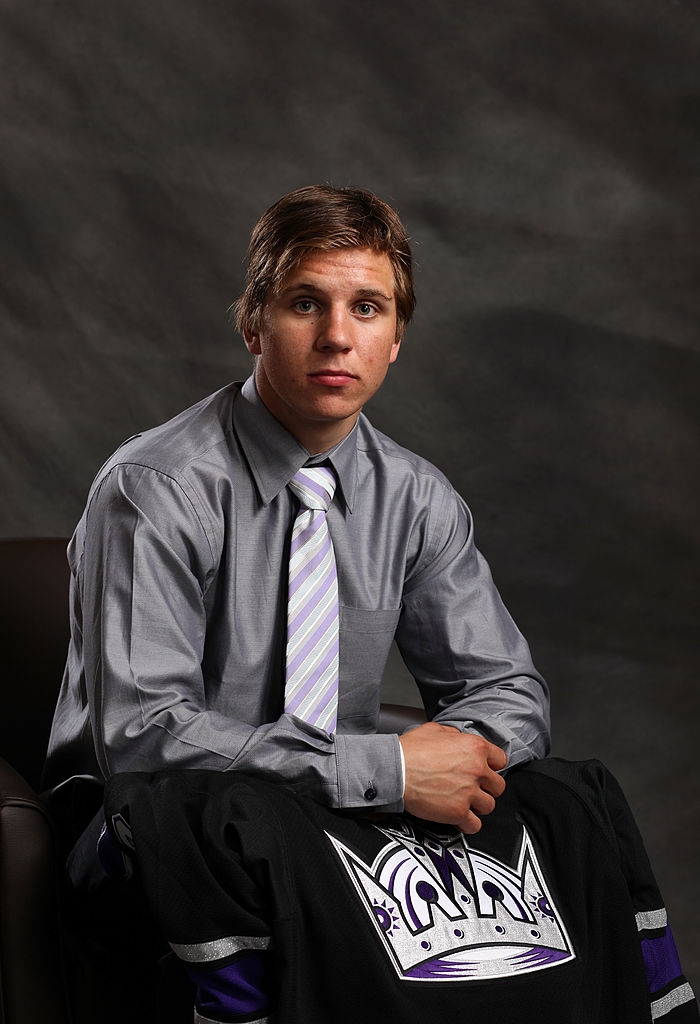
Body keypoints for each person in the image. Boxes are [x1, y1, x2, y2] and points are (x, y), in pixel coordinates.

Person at [45, 186, 696, 1021]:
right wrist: (386, 772)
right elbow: (144, 738)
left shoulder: (416, 499)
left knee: (572, 802)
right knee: (223, 824)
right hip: (145, 831)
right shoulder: (156, 490)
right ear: (253, 323)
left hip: (324, 815)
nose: (337, 336)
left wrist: (450, 764)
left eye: (368, 307)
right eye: (305, 303)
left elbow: (508, 692)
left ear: (396, 342)